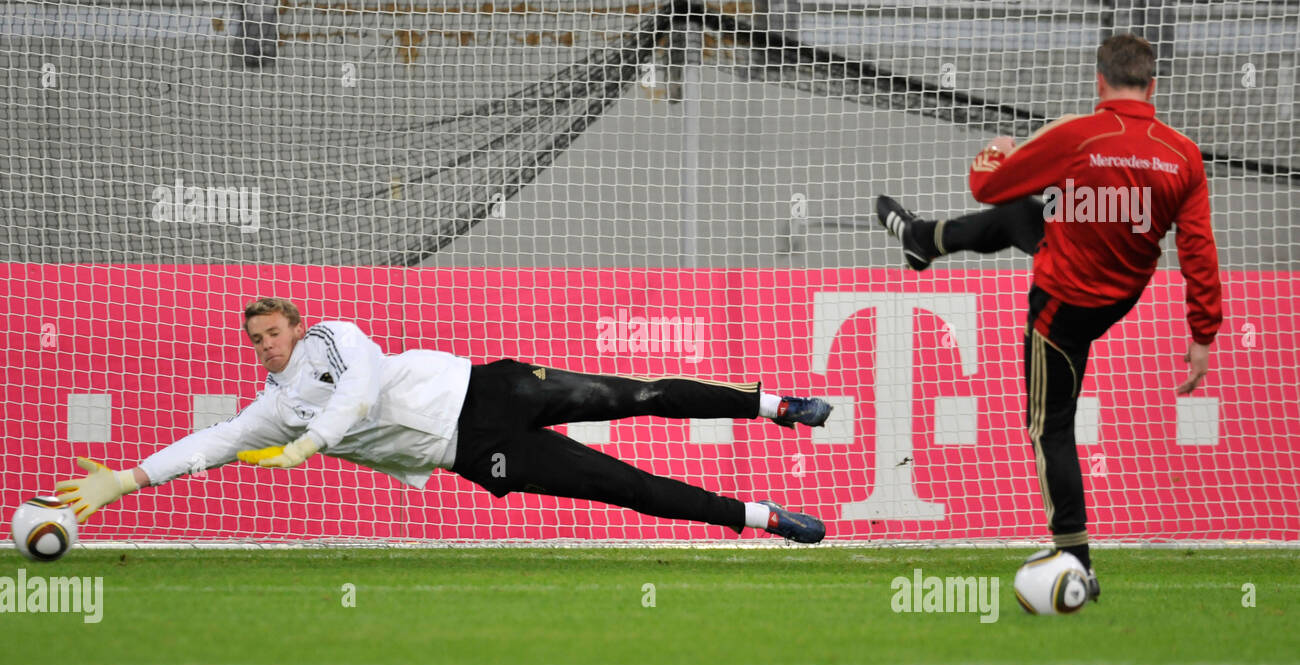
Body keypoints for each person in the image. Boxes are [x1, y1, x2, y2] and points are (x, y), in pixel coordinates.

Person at [875, 33, 1223, 597]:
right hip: (1119, 292)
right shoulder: (1182, 153)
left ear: (1099, 82)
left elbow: (987, 183)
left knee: (1049, 427)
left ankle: (1076, 558)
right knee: (1020, 217)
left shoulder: (1078, 134)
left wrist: (997, 151)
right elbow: (1198, 249)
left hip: (1062, 305)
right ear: (1153, 86)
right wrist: (1203, 333)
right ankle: (923, 240)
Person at [54, 298, 832, 543]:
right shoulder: (275, 406)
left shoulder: (335, 340)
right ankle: (764, 518)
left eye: (273, 333)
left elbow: (357, 393)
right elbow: (214, 442)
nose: (265, 345)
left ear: (295, 326)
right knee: (619, 487)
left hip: (490, 392)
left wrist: (310, 448)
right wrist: (126, 479)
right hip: (472, 451)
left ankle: (778, 407)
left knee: (637, 396)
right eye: (255, 340)